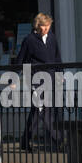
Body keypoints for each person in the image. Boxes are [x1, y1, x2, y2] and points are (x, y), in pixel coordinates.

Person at [18, 13, 64, 150]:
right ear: (38, 26)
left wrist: (60, 74)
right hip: (35, 80)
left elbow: (57, 58)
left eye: (48, 26)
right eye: (44, 27)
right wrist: (13, 77)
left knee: (38, 112)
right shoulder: (29, 40)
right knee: (42, 110)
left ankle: (25, 142)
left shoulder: (52, 38)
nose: (47, 29)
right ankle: (59, 140)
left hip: (51, 79)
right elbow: (21, 59)